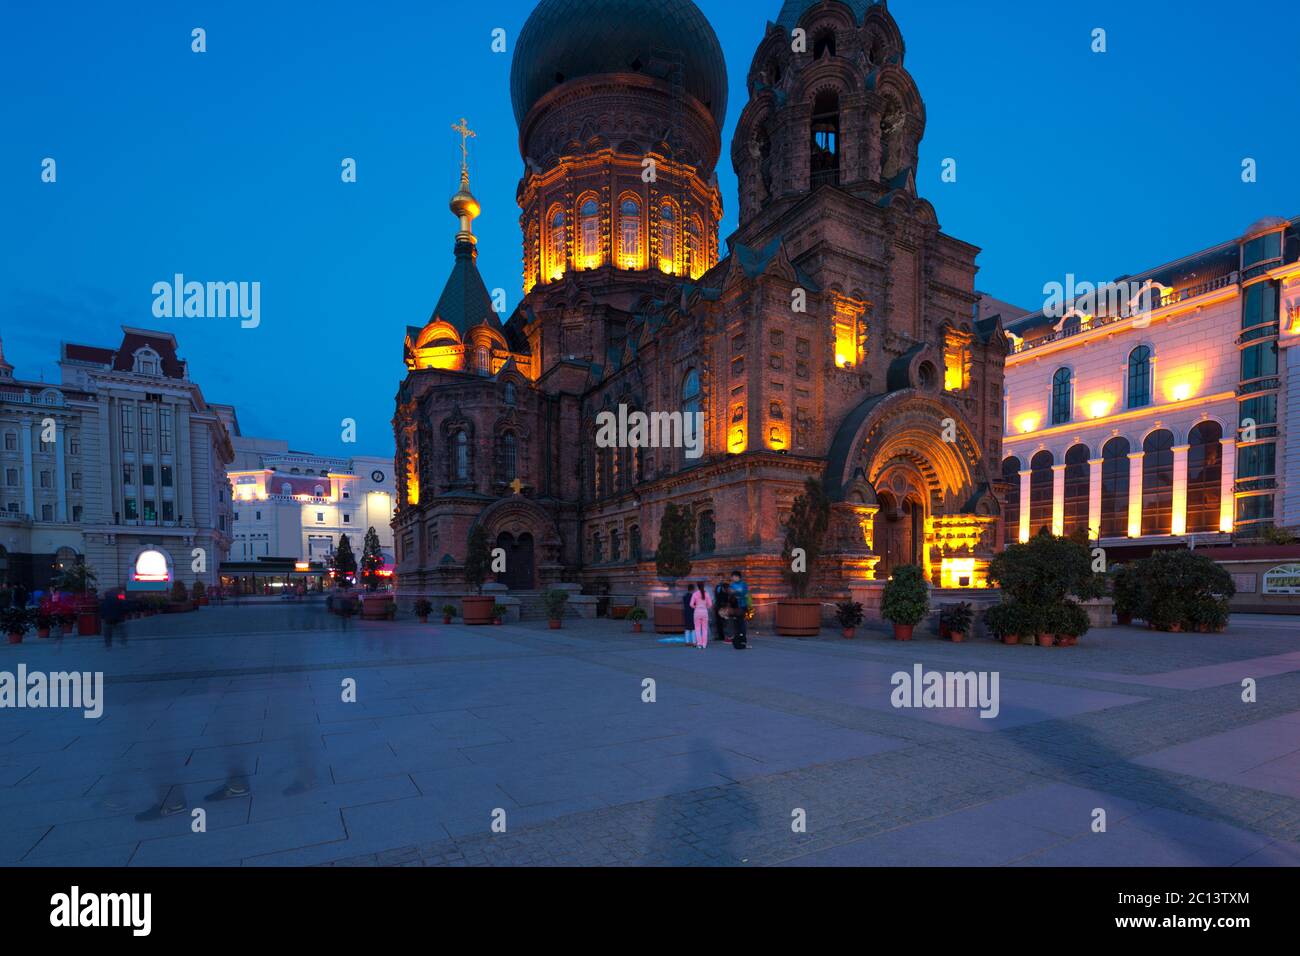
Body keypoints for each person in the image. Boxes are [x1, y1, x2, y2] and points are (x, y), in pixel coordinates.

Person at [729, 570, 750, 649]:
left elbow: (744, 593)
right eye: (732, 577)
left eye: (733, 576)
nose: (732, 578)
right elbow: (730, 594)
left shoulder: (743, 584)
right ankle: (737, 640)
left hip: (742, 605)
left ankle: (743, 640)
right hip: (735, 606)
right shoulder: (732, 585)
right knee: (735, 624)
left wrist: (736, 592)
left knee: (742, 623)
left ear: (737, 577)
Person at [689, 580, 713, 650]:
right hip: (704, 612)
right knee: (705, 629)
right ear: (703, 586)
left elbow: (691, 604)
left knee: (697, 629)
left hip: (697, 612)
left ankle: (699, 644)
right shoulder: (707, 594)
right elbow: (710, 604)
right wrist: (705, 607)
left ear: (697, 586)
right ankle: (704, 644)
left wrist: (696, 607)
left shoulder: (695, 594)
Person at [713, 575, 732, 643]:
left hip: (723, 606)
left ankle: (727, 636)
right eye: (718, 578)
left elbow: (726, 597)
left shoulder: (725, 586)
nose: (720, 580)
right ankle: (721, 636)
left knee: (725, 621)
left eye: (721, 578)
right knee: (719, 622)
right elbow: (716, 596)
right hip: (719, 606)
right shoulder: (718, 587)